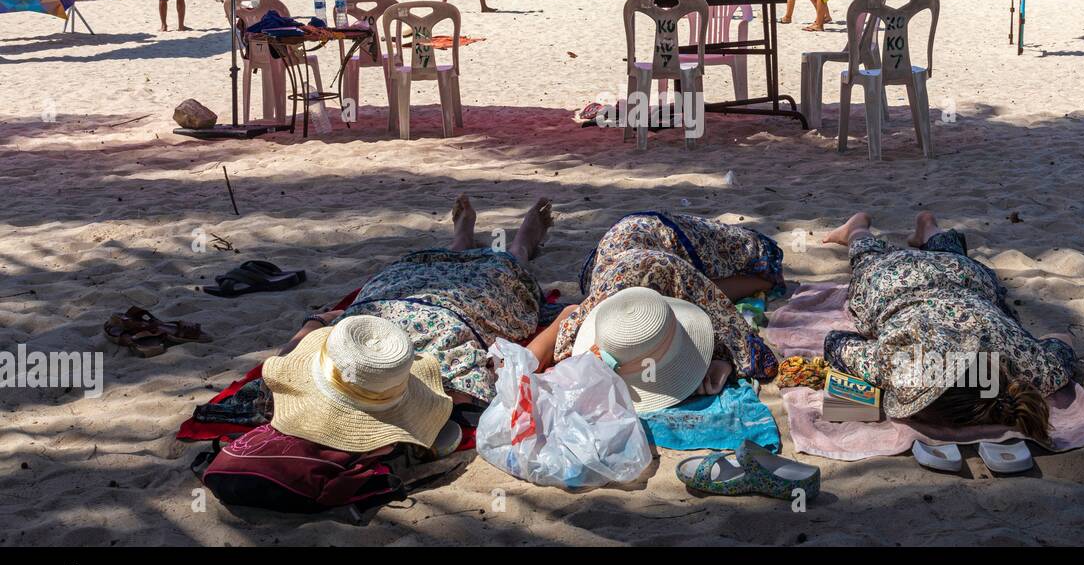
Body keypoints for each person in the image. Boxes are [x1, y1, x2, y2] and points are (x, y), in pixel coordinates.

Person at [819, 210, 1081, 441]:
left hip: (960, 275)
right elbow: (837, 343)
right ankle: (858, 229)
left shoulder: (1032, 371)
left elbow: (1061, 339)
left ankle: (922, 227)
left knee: (945, 257)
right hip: (894, 284)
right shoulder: (895, 363)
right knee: (868, 259)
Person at [281, 195, 554, 408]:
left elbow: (284, 364)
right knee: (499, 274)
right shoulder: (446, 380)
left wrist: (318, 320)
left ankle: (462, 241)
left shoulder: (311, 378)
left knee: (432, 273)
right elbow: (503, 379)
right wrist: (316, 322)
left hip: (385, 305)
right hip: (438, 312)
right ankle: (520, 244)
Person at [527, 213, 782, 400]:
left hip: (665, 234)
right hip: (621, 247)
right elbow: (526, 363)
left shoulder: (682, 281)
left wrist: (721, 358)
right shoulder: (599, 311)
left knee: (759, 256)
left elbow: (722, 314)